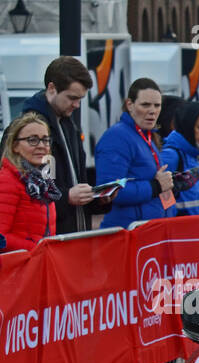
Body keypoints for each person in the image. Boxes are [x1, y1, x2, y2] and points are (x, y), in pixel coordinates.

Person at [19, 56, 108, 234]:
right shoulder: (28, 129)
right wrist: (66, 197)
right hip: (50, 237)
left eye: (80, 99)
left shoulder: (68, 125)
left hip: (73, 232)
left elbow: (76, 179)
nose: (76, 105)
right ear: (51, 88)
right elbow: (26, 190)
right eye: (72, 98)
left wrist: (99, 197)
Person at [94, 78, 177, 228]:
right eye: (145, 105)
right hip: (128, 234)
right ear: (130, 105)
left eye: (157, 105)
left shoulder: (147, 138)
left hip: (149, 231)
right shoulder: (117, 137)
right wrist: (155, 186)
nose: (152, 111)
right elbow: (108, 190)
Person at [0, 113, 61, 252]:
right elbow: (1, 237)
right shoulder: (7, 180)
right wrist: (37, 249)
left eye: (45, 140)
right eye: (32, 140)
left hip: (37, 265)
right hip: (18, 268)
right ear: (15, 146)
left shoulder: (43, 181)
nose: (41, 146)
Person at [160, 101, 199, 215]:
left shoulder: (194, 156)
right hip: (179, 229)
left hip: (196, 228)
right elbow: (163, 198)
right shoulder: (171, 155)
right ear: (187, 125)